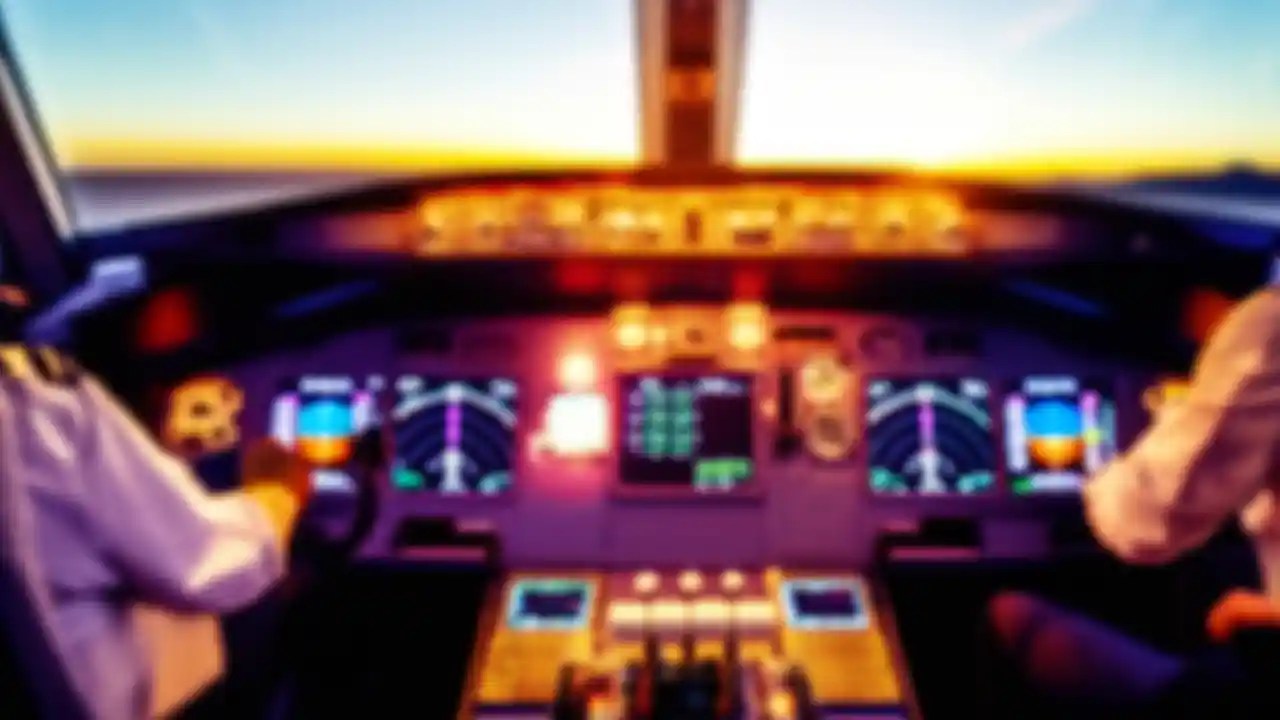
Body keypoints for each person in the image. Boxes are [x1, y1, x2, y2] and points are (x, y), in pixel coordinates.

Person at [0, 301, 309, 720]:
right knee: (270, 606)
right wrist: (279, 492)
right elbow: (209, 569)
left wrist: (160, 460)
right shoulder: (29, 396)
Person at [986, 287, 1280, 718]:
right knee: (1208, 580)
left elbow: (1143, 527)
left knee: (1007, 618)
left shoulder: (1268, 327)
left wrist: (1103, 469)